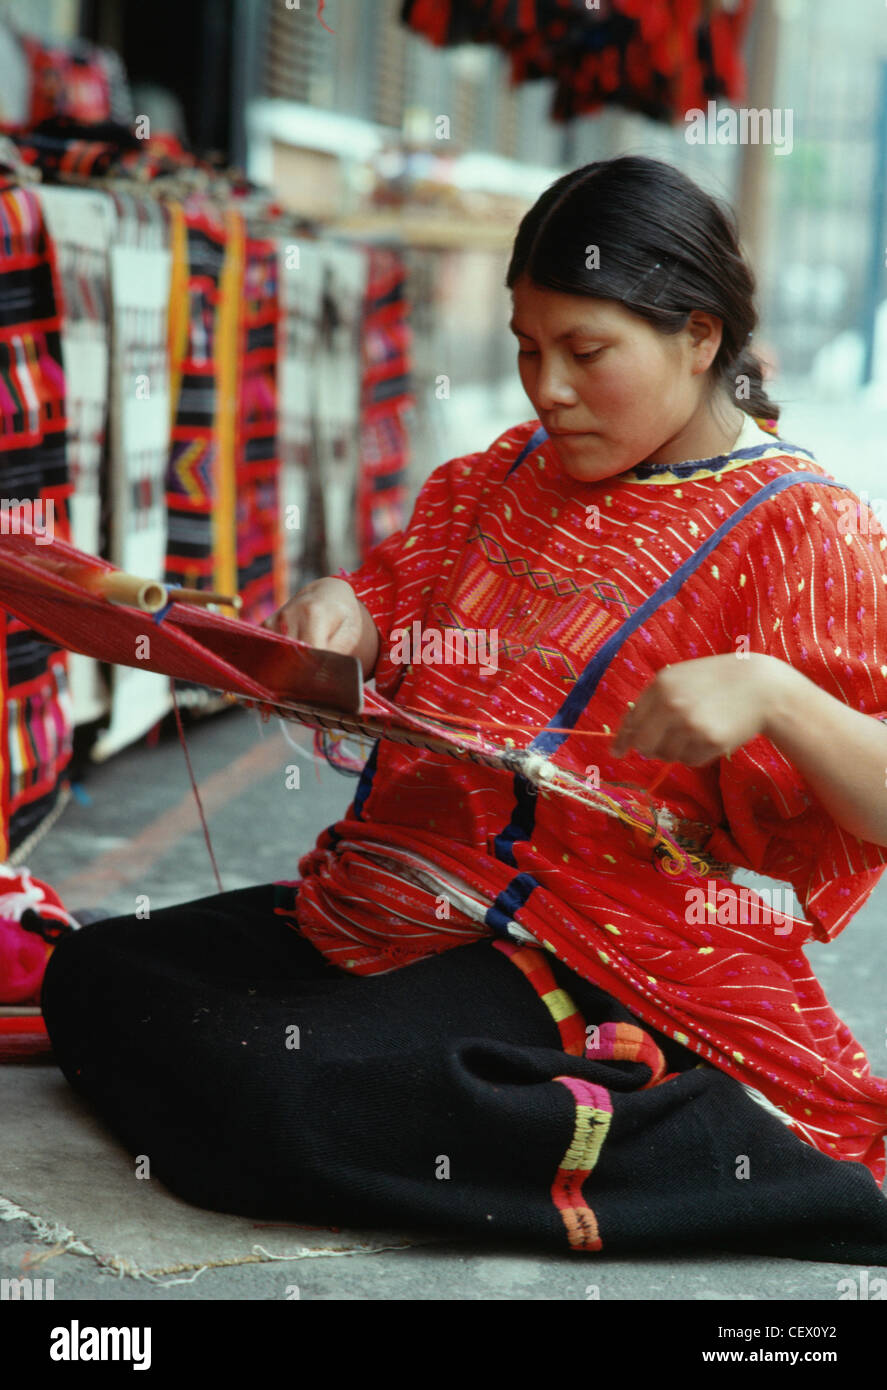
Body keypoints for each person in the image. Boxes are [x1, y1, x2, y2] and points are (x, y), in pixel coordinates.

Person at [42, 156, 887, 1262]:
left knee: (272, 1083)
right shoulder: (500, 478)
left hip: (583, 944)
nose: (548, 388)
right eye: (527, 352)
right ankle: (528, 1093)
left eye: (585, 353)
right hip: (387, 902)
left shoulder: (805, 532)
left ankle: (707, 1134)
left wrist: (773, 696)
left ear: (697, 335)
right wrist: (337, 608)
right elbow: (381, 600)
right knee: (102, 973)